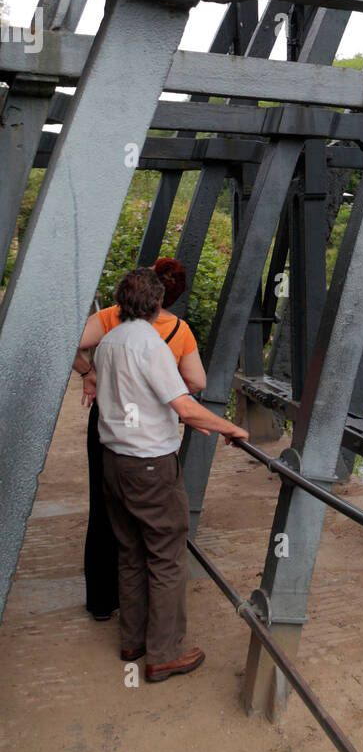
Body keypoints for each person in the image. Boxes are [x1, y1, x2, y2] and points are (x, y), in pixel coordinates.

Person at [74, 267, 249, 682]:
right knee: (168, 557)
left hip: (114, 459)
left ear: (121, 302)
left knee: (131, 553)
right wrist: (228, 427)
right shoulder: (151, 345)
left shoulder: (110, 341)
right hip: (149, 463)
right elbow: (184, 405)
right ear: (157, 304)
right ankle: (165, 654)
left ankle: (132, 641)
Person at [74, 258, 204, 621]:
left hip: (109, 420)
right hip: (149, 431)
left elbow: (68, 340)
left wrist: (88, 372)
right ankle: (147, 603)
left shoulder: (112, 317)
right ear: (167, 297)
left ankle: (102, 601)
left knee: (103, 507)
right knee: (155, 520)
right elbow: (196, 382)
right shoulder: (179, 331)